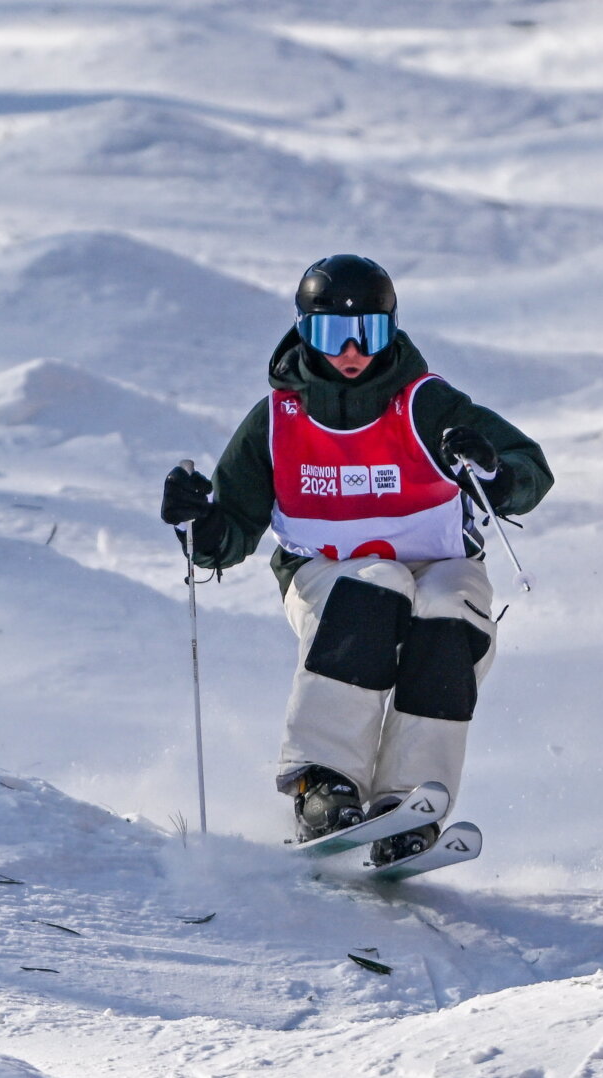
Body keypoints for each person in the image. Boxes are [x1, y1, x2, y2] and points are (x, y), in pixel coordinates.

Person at [160, 254, 552, 861]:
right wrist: (199, 519)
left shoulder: (428, 406)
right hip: (325, 571)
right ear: (303, 332)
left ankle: (408, 801)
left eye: (368, 333)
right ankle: (323, 781)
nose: (351, 351)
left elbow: (528, 466)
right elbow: (228, 532)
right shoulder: (277, 421)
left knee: (450, 612)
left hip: (441, 561)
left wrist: (496, 475)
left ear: (392, 330)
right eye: (330, 333)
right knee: (376, 585)